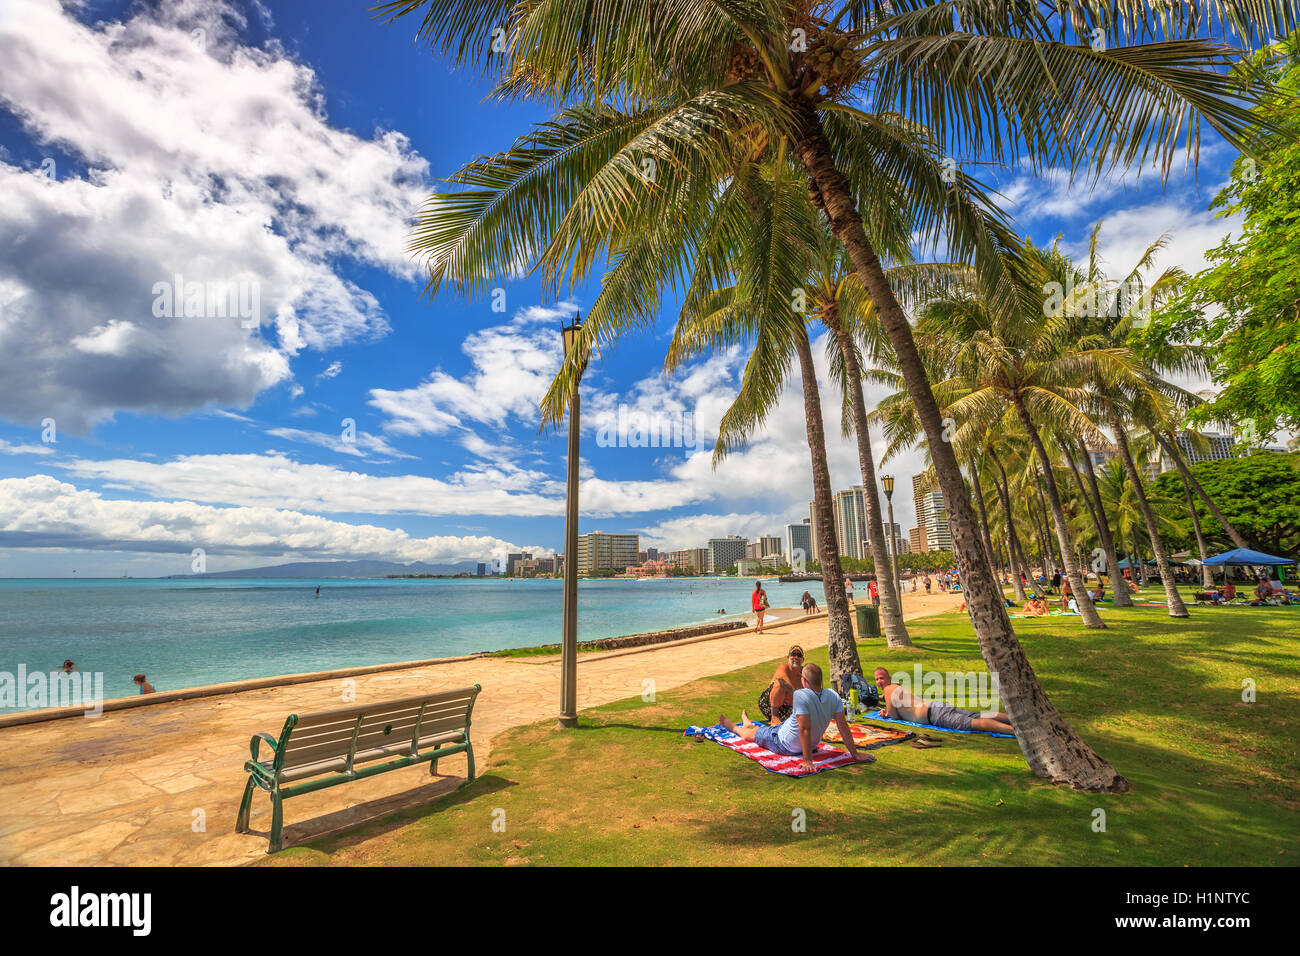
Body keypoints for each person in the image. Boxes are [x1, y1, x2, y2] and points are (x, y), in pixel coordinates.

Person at [720, 663, 875, 772]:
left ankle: (733, 726)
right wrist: (854, 754)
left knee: (755, 735)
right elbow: (843, 726)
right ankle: (744, 723)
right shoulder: (833, 696)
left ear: (804, 680)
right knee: (766, 729)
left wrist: (807, 761)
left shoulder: (801, 694)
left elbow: (804, 728)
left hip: (783, 743)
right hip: (803, 742)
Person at [874, 667, 1013, 735]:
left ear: (889, 678)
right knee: (978, 715)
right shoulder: (897, 687)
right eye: (877, 679)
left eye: (882, 678)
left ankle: (1015, 732)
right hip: (936, 706)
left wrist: (886, 714)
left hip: (934, 714)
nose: (879, 681)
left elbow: (894, 716)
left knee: (976, 723)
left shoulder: (888, 690)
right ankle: (1016, 720)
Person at [758, 645, 805, 725]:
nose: (796, 657)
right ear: (788, 657)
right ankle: (774, 718)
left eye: (799, 655)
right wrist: (796, 696)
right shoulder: (783, 667)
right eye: (793, 654)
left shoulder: (804, 673)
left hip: (789, 710)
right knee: (780, 684)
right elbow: (782, 680)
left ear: (803, 659)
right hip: (769, 705)